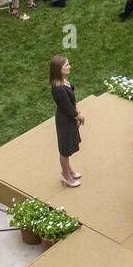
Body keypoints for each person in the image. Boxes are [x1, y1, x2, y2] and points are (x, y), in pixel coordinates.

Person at [50, 55, 84, 188]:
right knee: (65, 150)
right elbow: (67, 108)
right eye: (66, 65)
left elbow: (71, 101)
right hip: (65, 121)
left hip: (68, 118)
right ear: (59, 69)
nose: (69, 67)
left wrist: (76, 109)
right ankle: (66, 175)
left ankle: (69, 170)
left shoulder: (64, 81)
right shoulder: (58, 88)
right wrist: (79, 116)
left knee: (68, 147)